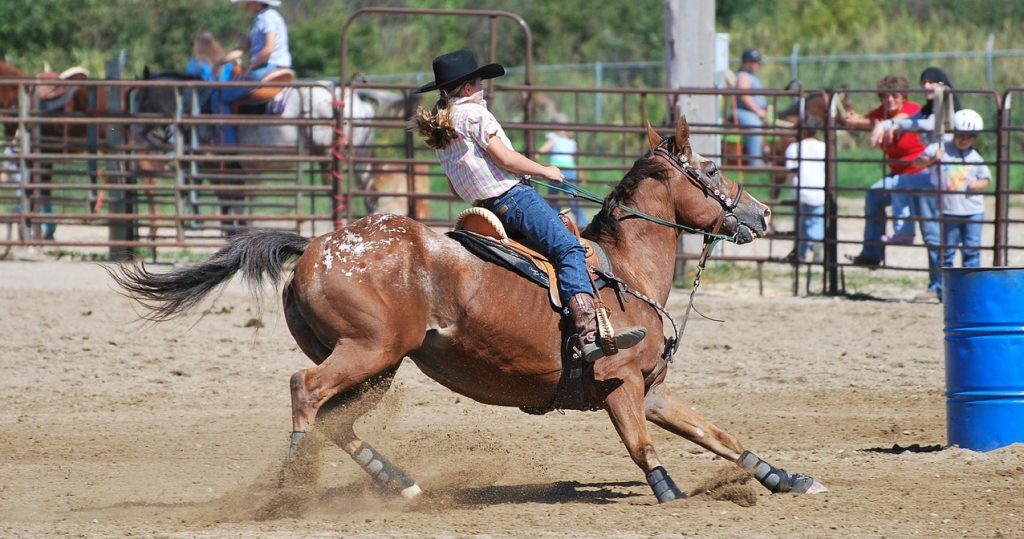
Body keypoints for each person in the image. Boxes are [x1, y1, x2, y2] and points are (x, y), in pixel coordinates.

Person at [410, 49, 645, 362]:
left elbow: (455, 187)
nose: (483, 88)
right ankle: (589, 330)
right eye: (479, 83)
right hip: (513, 198)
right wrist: (544, 170)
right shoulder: (475, 115)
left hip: (484, 209)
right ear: (467, 87)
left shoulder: (444, 128)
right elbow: (505, 158)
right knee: (569, 248)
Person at [843, 76, 939, 296]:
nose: (889, 99)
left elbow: (905, 117)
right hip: (897, 177)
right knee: (874, 195)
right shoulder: (881, 114)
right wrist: (851, 118)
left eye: (894, 95)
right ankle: (872, 253)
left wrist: (873, 124)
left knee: (931, 230)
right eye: (885, 96)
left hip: (921, 174)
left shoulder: (914, 109)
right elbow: (864, 122)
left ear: (903, 96)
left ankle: (938, 284)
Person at [868, 67, 961, 244]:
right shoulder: (927, 110)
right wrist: (885, 126)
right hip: (932, 173)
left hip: (949, 174)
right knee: (899, 183)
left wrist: (890, 125)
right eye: (923, 82)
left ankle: (941, 270)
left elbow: (925, 125)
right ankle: (905, 232)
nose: (926, 86)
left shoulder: (947, 110)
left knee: (934, 233)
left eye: (931, 82)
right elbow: (911, 122)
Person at [912, 109, 990, 287]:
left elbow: (986, 178)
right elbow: (917, 162)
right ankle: (942, 288)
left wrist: (978, 185)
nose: (964, 140)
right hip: (949, 211)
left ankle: (971, 289)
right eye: (960, 135)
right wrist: (932, 159)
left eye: (969, 137)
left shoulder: (975, 158)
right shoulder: (940, 148)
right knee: (947, 253)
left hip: (973, 211)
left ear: (974, 138)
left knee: (971, 252)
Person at [783, 129, 826, 263]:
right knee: (816, 220)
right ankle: (816, 242)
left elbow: (791, 172)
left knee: (800, 223)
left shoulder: (794, 148)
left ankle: (800, 254)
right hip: (819, 190)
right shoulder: (823, 146)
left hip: (800, 190)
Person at [187, 31, 236, 144]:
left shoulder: (197, 62)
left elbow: (190, 80)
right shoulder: (225, 61)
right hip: (226, 94)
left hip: (206, 98)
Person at [537, 114, 587, 226]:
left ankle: (556, 220)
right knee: (573, 197)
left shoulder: (553, 138)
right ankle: (582, 223)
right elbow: (575, 160)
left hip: (557, 171)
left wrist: (536, 154)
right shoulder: (571, 142)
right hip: (571, 171)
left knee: (553, 197)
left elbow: (544, 148)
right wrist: (581, 173)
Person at [230, 0, 291, 81]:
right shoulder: (261, 18)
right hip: (269, 65)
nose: (245, 5)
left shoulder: (267, 17)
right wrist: (222, 61)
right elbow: (243, 48)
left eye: (248, 2)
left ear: (257, 3)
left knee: (231, 88)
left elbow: (269, 48)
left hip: (270, 65)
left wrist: (252, 65)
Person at [734, 48, 768, 166]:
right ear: (745, 63)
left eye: (757, 62)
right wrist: (758, 111)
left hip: (752, 112)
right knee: (755, 126)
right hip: (744, 111)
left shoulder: (751, 76)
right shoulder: (743, 76)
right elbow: (744, 95)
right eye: (752, 62)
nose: (755, 65)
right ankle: (755, 162)